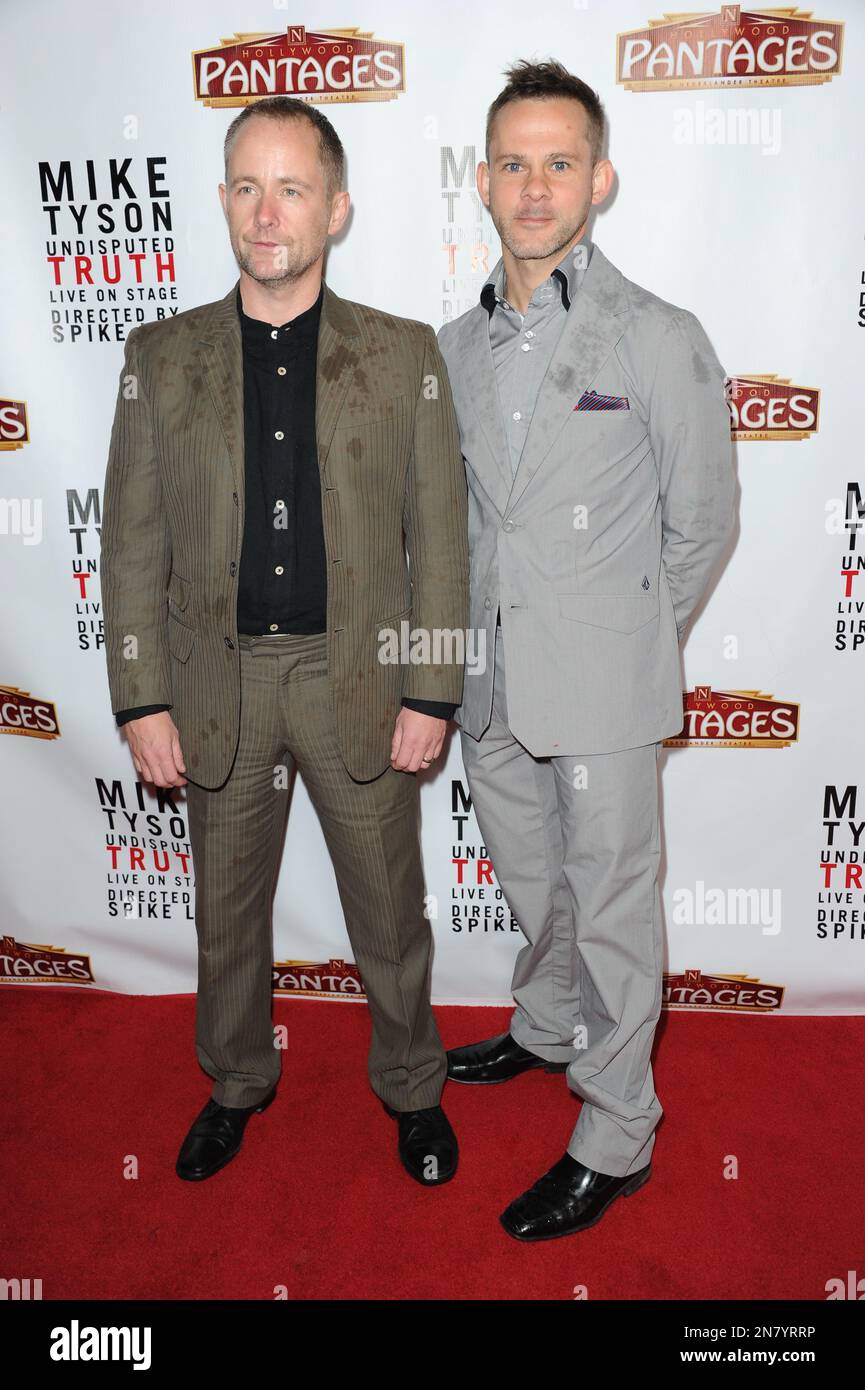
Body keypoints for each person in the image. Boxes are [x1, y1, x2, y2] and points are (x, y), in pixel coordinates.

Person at [101, 95, 469, 1187]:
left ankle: (412, 1087)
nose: (269, 214)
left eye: (293, 188)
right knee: (225, 916)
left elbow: (439, 540)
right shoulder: (158, 357)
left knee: (389, 915)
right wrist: (141, 698)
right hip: (217, 681)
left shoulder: (403, 356)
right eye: (247, 188)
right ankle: (235, 1081)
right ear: (222, 202)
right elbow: (129, 543)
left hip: (355, 675)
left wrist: (432, 689)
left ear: (336, 207)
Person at [437, 59, 735, 1240]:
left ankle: (616, 1133)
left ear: (598, 179)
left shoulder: (656, 335)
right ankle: (545, 1024)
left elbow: (701, 520)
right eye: (514, 162)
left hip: (603, 682)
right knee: (534, 884)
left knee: (610, 906)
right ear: (482, 180)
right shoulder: (451, 348)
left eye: (559, 161)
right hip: (486, 681)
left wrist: (625, 646)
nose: (535, 184)